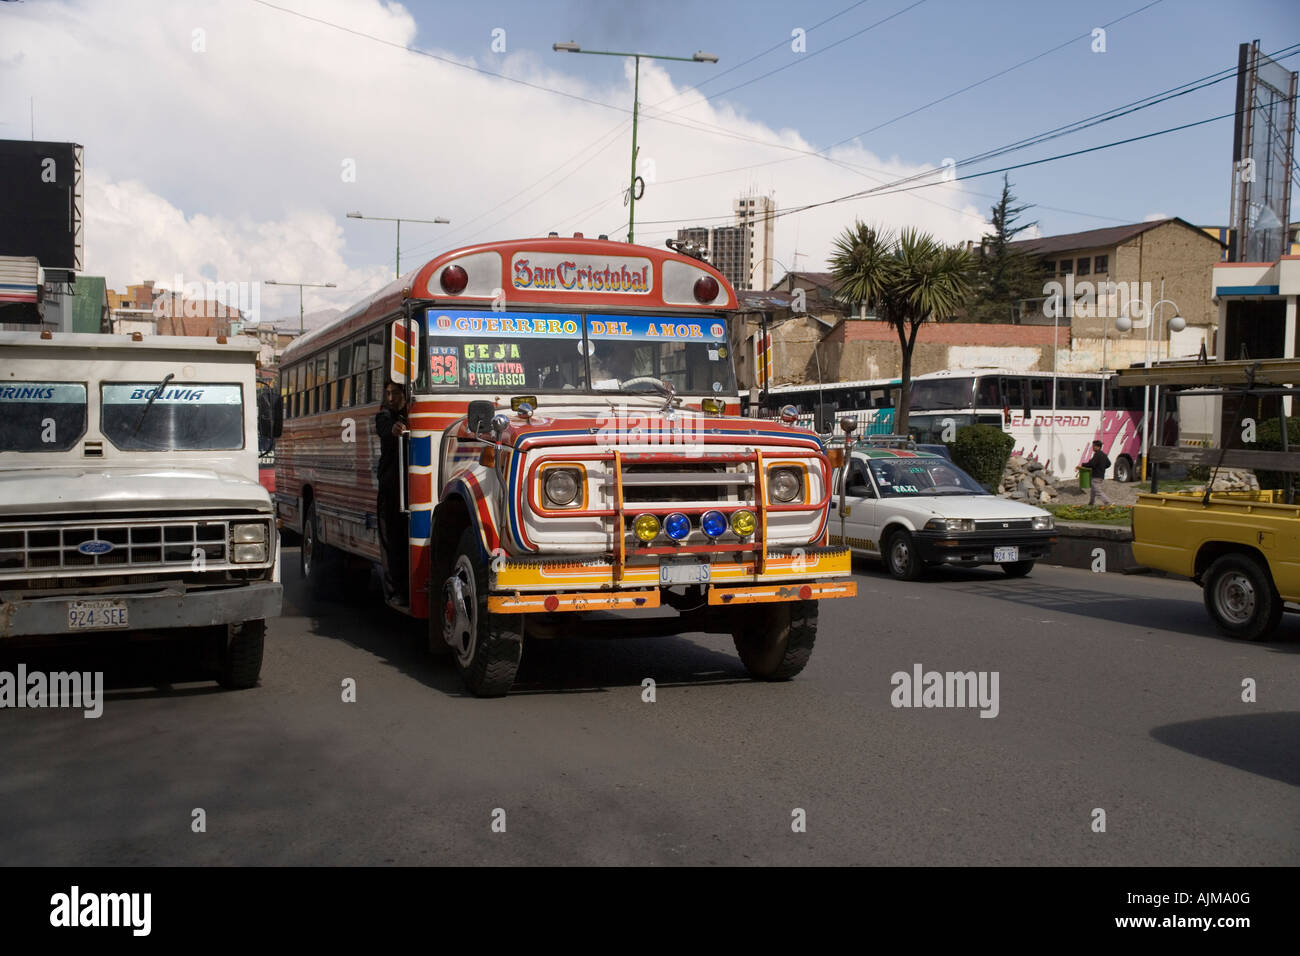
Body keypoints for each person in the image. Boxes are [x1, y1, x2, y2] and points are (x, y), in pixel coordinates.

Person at [376, 382, 409, 602]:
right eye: (387, 393)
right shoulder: (385, 416)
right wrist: (395, 430)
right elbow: (386, 429)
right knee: (392, 542)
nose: (390, 398)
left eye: (394, 393)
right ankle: (395, 590)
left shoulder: (413, 413)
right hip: (390, 488)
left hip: (412, 487)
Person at [1079, 439, 1113, 506]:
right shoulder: (1104, 454)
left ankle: (1108, 503)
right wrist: (1102, 467)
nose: (1092, 447)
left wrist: (1083, 464)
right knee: (1093, 490)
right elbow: (1109, 464)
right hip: (1101, 475)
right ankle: (1091, 503)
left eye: (1094, 446)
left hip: (1096, 475)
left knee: (1097, 491)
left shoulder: (1097, 454)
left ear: (1098, 447)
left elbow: (1092, 464)